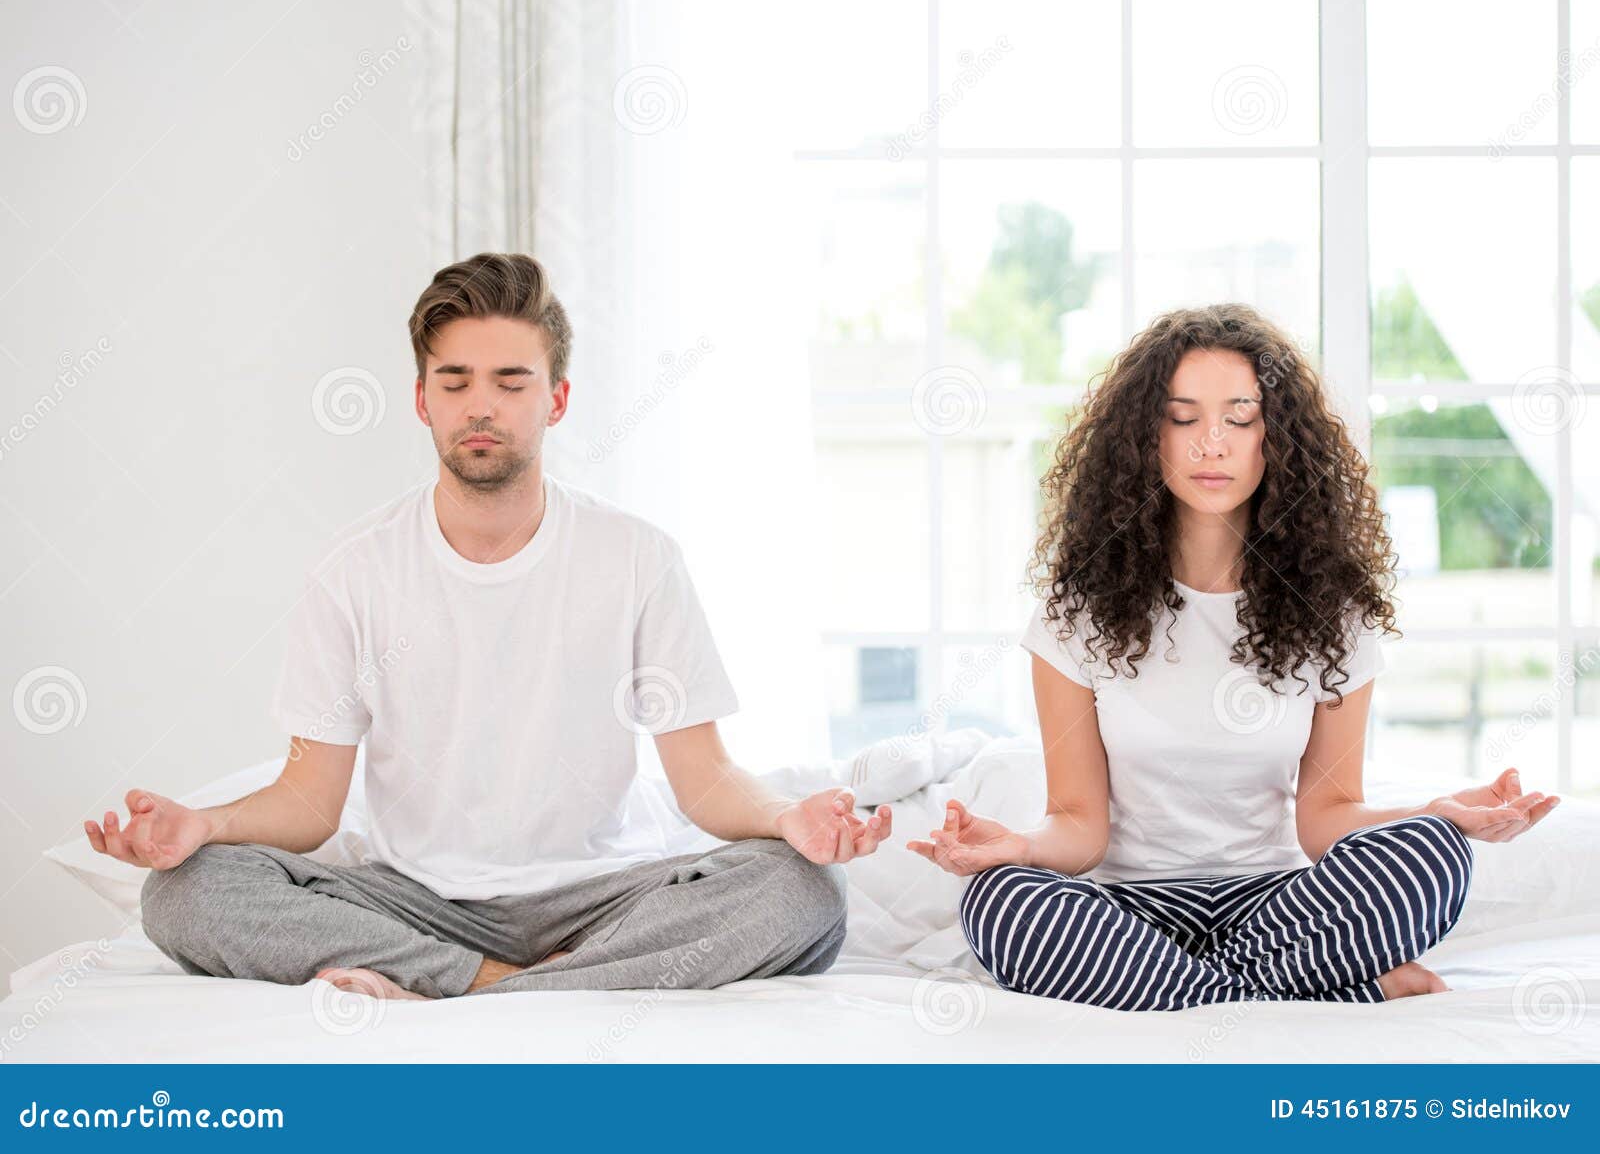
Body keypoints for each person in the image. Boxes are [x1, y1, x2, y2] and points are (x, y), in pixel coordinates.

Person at [83, 252, 892, 1002]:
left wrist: (788, 817)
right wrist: (207, 825)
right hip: (419, 902)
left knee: (804, 889)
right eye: (456, 380)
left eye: (511, 381)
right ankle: (516, 988)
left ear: (557, 398)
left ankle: (471, 995)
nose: (481, 406)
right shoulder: (355, 568)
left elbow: (705, 779)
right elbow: (308, 801)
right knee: (186, 892)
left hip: (599, 901)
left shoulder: (638, 558)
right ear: (421, 398)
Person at [908, 303, 1560, 1011]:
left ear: (1276, 438)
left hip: (1281, 909)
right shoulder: (1076, 615)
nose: (1209, 443)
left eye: (1239, 418)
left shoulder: (1333, 614)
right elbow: (1078, 824)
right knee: (1000, 902)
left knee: (1431, 855)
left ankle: (1183, 997)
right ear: (1143, 439)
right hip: (1132, 915)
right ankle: (1320, 997)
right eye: (1183, 419)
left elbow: (1328, 818)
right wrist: (1022, 849)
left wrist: (1434, 812)